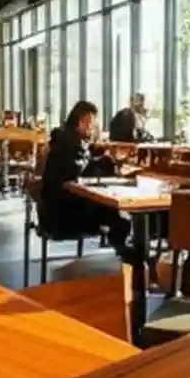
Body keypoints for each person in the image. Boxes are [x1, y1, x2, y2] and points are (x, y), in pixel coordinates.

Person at [41, 100, 135, 262]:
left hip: (55, 209)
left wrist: (96, 155)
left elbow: (79, 165)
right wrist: (103, 162)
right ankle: (131, 261)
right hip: (64, 215)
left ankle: (128, 258)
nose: (94, 127)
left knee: (116, 214)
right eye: (91, 122)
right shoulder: (70, 144)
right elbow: (78, 172)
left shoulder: (65, 139)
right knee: (120, 218)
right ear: (81, 120)